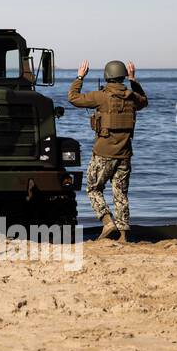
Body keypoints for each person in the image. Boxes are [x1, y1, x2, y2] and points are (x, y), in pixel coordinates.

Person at [68, 59, 148, 242]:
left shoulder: (100, 96)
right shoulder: (132, 97)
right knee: (120, 193)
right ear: (123, 76)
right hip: (125, 154)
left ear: (107, 76)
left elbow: (73, 97)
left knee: (93, 188)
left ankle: (107, 221)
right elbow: (144, 102)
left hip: (103, 153)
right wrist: (134, 80)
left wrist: (80, 77)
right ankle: (123, 235)